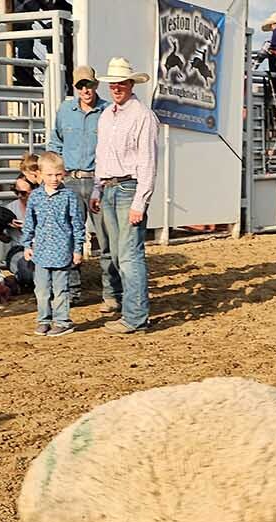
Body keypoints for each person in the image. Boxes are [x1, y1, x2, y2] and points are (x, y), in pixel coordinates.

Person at [91, 57, 159, 335]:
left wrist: (140, 201)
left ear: (131, 84)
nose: (116, 87)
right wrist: (98, 187)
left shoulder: (143, 116)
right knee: (119, 255)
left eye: (121, 83)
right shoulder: (107, 116)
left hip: (129, 187)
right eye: (113, 84)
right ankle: (132, 312)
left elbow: (148, 162)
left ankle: (135, 317)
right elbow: (101, 154)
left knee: (129, 256)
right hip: (109, 187)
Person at [47, 64, 110, 308]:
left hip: (97, 180)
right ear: (75, 87)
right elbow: (56, 142)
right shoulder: (65, 110)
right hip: (71, 180)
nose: (86, 89)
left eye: (89, 84)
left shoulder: (107, 111)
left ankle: (111, 293)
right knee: (70, 237)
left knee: (106, 239)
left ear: (96, 85)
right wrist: (57, 174)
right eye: (81, 85)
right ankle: (72, 292)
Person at [23, 151, 86, 338]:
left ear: (64, 173)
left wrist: (77, 249)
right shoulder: (35, 197)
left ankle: (62, 321)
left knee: (61, 289)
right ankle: (43, 319)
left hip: (62, 251)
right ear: (40, 174)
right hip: (41, 252)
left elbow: (77, 224)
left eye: (58, 174)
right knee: (41, 289)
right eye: (49, 175)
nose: (54, 179)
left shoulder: (69, 196)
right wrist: (27, 244)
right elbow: (29, 222)